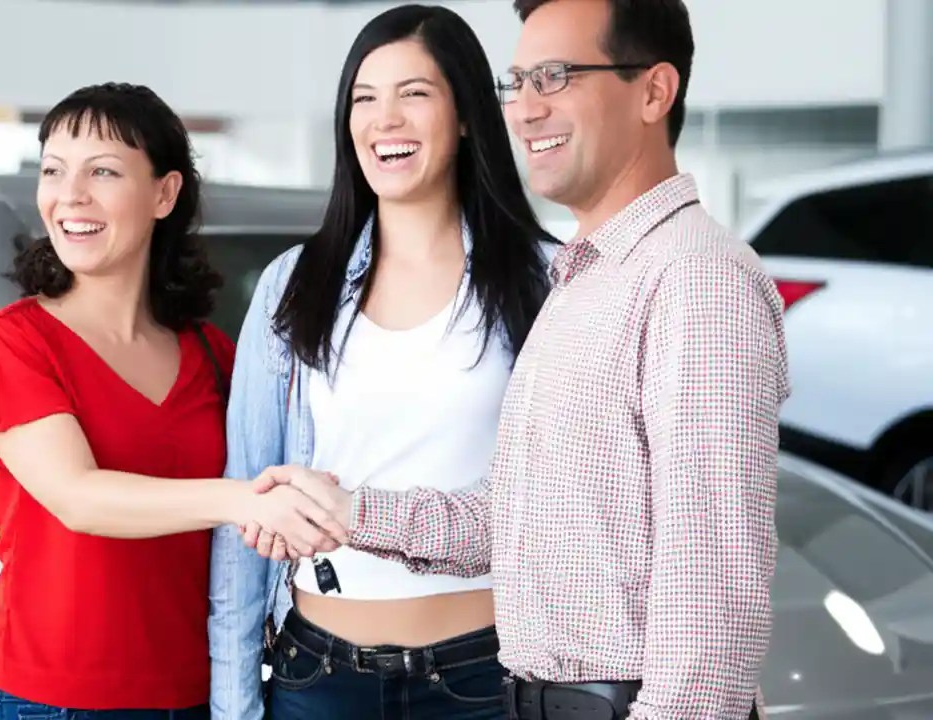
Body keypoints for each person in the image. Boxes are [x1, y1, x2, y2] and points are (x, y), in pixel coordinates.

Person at [252, 1, 789, 718]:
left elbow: (712, 591)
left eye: (557, 77)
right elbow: (516, 519)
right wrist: (352, 511)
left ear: (654, 92)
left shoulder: (693, 279)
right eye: (519, 82)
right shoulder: (586, 279)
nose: (528, 109)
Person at [0, 82, 347, 720]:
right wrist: (241, 500)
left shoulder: (211, 354)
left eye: (102, 171)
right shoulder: (15, 342)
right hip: (50, 704)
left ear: (164, 193)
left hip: (199, 698)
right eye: (53, 171)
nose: (70, 195)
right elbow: (80, 497)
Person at [208, 5, 555, 720]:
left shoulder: (544, 280)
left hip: (486, 678)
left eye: (414, 95)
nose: (384, 119)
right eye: (364, 99)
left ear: (464, 117)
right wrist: (235, 706)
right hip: (317, 677)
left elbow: (565, 505)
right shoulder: (293, 285)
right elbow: (242, 509)